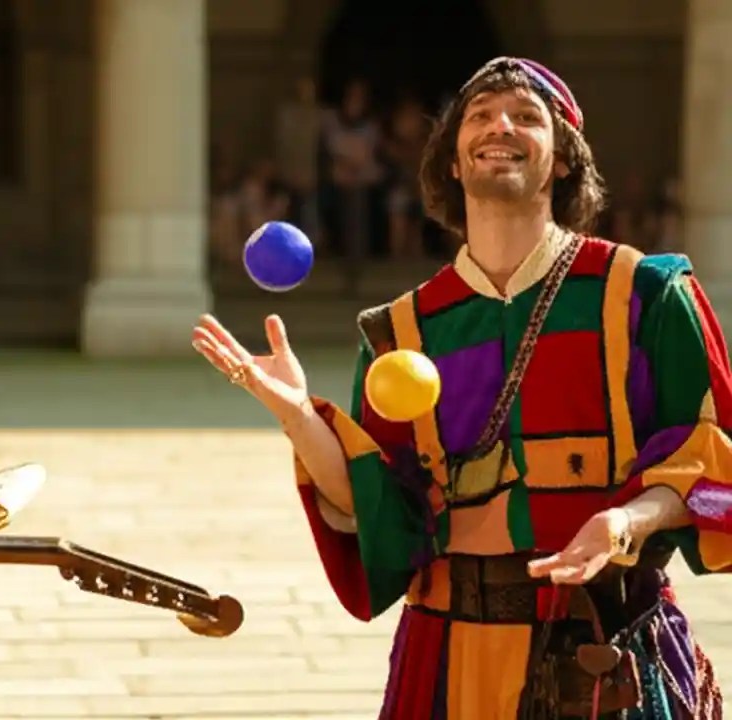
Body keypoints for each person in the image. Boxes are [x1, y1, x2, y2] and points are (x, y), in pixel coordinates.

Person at [193, 57, 726, 717]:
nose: (499, 125)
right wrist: (299, 415)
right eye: (480, 115)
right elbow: (382, 511)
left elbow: (710, 460)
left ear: (563, 160)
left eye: (526, 117)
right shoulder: (402, 331)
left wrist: (625, 520)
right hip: (449, 656)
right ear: (452, 160)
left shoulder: (644, 293)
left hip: (603, 648)